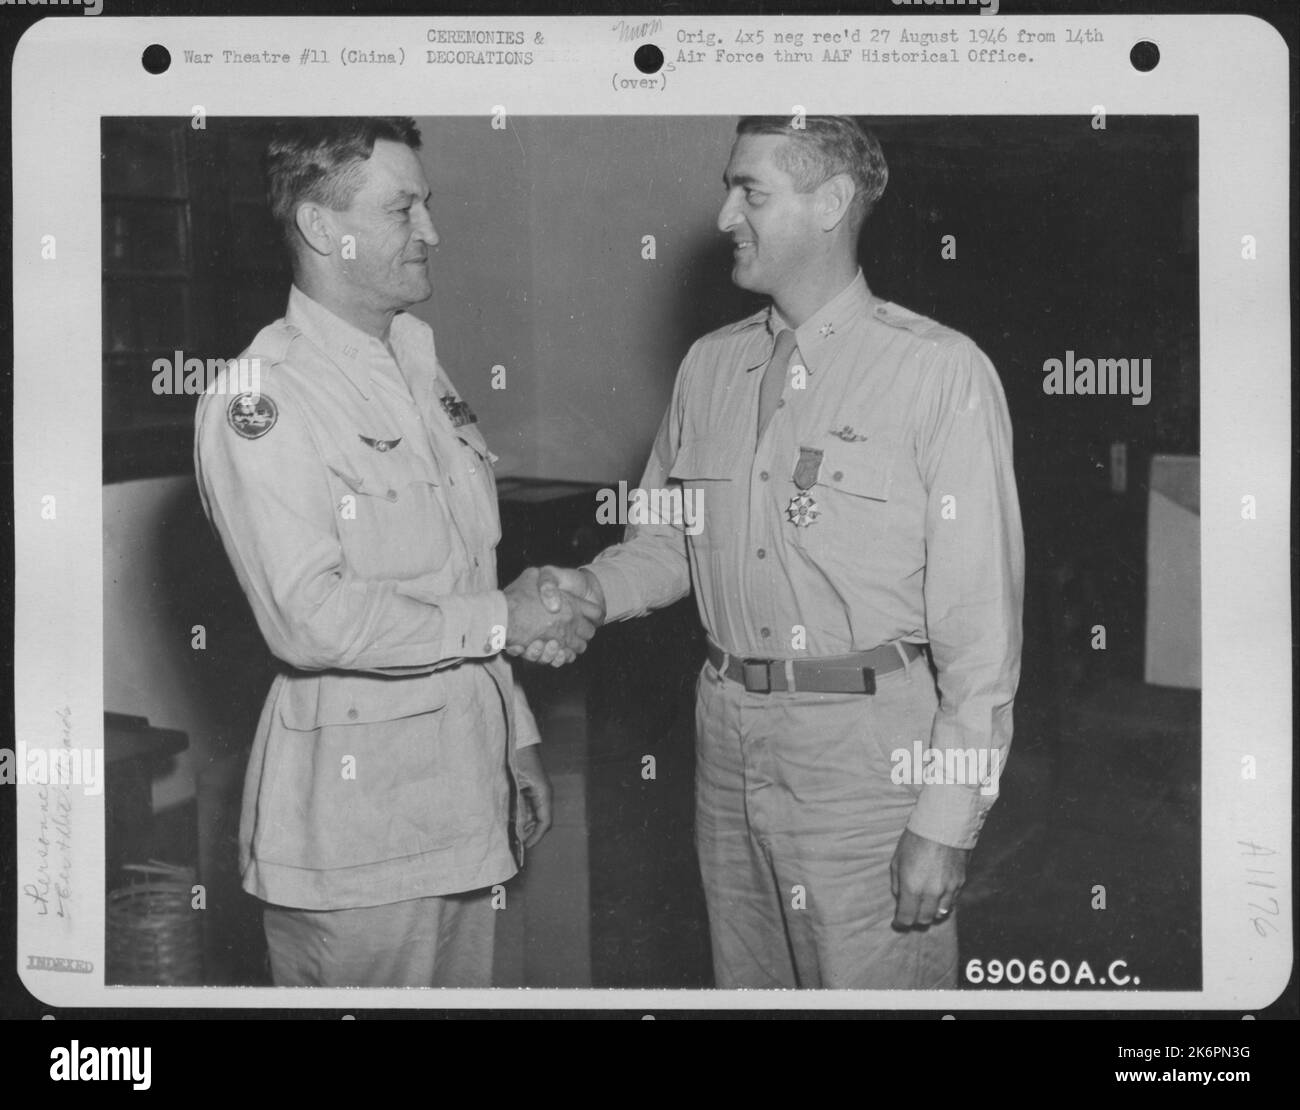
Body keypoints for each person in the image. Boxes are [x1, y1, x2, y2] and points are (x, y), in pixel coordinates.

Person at [524, 116, 1024, 989]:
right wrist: (591, 590)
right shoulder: (709, 368)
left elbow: (981, 643)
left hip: (867, 757)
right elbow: (670, 543)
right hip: (724, 739)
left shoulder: (939, 374)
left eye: (748, 191)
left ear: (830, 203)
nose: (722, 216)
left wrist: (945, 822)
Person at [194, 117, 599, 988]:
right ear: (319, 227)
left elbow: (458, 571)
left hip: (461, 794)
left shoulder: (413, 356)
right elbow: (313, 620)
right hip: (356, 832)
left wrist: (513, 732)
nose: (432, 232)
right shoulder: (262, 396)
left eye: (427, 205)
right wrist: (507, 621)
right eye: (402, 209)